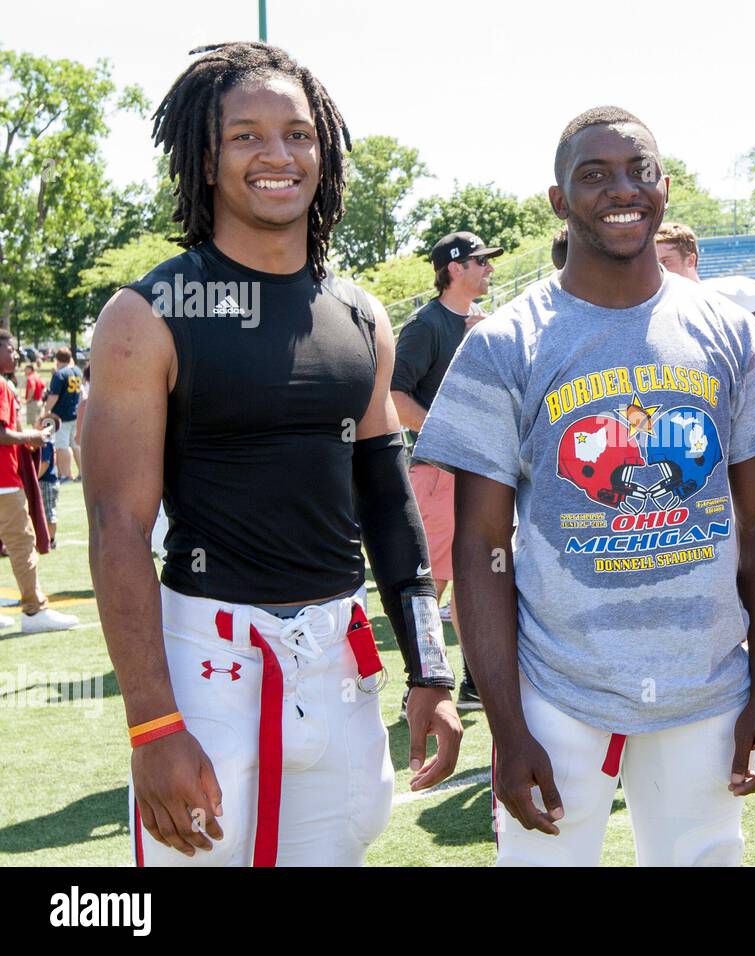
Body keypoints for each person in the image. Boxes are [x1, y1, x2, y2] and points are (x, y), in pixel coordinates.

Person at [84, 41, 461, 867]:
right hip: (207, 667)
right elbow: (116, 526)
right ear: (205, 157)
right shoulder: (147, 315)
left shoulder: (360, 316)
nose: (277, 154)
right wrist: (153, 723)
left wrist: (430, 670)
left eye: (297, 133)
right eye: (245, 135)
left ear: (324, 153)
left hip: (340, 665)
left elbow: (388, 502)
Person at [419, 106, 755, 866]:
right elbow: (479, 547)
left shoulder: (730, 331)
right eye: (594, 175)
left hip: (707, 684)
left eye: (639, 171)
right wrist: (508, 725)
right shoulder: (503, 343)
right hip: (557, 688)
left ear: (664, 185)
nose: (622, 190)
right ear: (558, 199)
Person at [392, 230, 502, 713]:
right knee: (431, 583)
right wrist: (447, 435)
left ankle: (473, 683)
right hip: (439, 471)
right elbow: (394, 398)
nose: (490, 268)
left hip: (478, 472)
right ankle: (421, 685)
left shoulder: (485, 322)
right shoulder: (426, 324)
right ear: (455, 268)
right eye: (481, 261)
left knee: (476, 578)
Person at [0, 329, 77, 633]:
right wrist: (31, 436)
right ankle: (34, 610)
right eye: (9, 348)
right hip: (4, 481)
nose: (16, 353)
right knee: (22, 543)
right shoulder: (2, 386)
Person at [43, 347, 82, 481]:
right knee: (75, 445)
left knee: (61, 446)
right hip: (75, 413)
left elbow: (54, 396)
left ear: (57, 359)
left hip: (61, 416)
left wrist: (46, 411)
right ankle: (82, 473)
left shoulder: (59, 374)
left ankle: (66, 474)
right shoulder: (77, 371)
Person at [37, 424, 59, 549]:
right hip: (48, 481)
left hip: (46, 482)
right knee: (47, 511)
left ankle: (51, 540)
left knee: (49, 512)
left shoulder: (46, 442)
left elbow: (45, 463)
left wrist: (35, 477)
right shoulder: (47, 442)